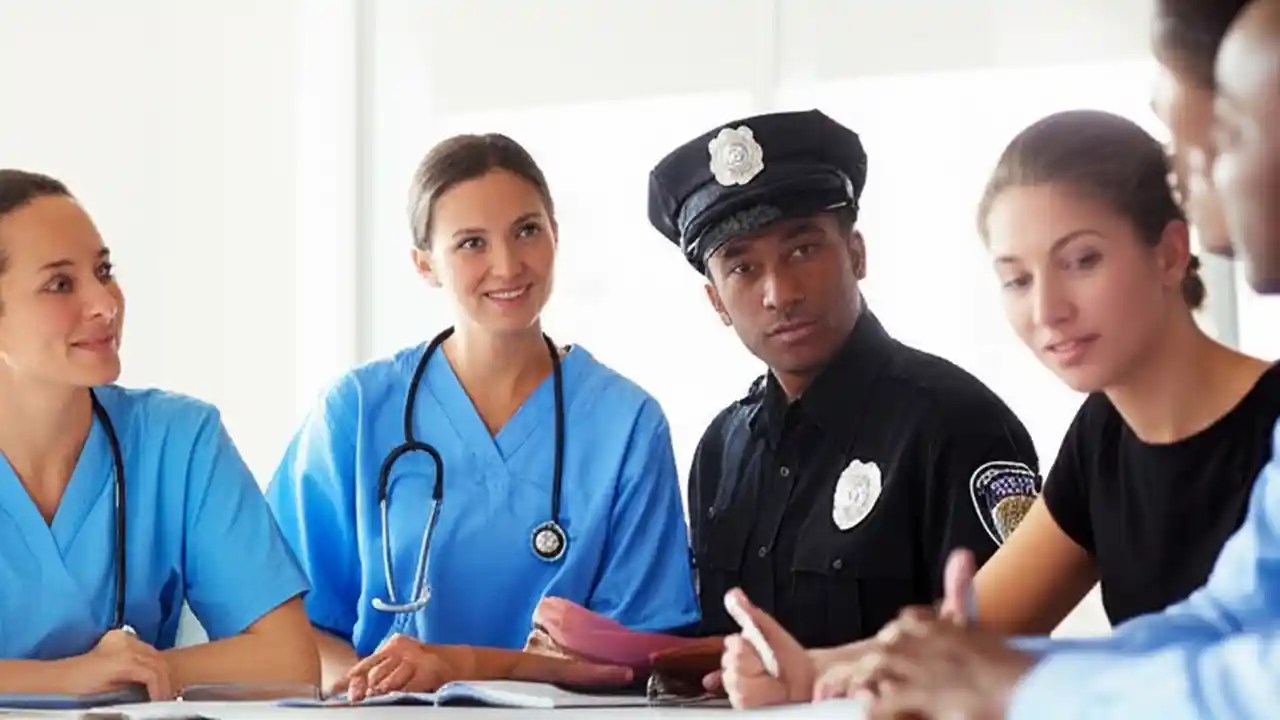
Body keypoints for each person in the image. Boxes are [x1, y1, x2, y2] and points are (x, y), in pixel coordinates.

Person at [717, 107, 1280, 711]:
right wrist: (812, 671)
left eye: (1082, 261)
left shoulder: (1268, 425)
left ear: (1170, 253)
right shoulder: (1104, 431)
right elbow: (981, 636)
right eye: (1017, 280)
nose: (1048, 310)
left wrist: (1010, 682)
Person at [266, 133, 696, 698]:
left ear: (555, 234)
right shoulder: (355, 413)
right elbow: (285, 623)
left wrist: (456, 664)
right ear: (425, 265)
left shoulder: (626, 425)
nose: (507, 264)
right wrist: (373, 689)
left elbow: (629, 662)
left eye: (527, 230)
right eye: (471, 243)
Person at [645, 109, 1040, 654]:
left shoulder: (957, 424)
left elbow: (998, 652)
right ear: (716, 301)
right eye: (742, 269)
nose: (779, 293)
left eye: (802, 250)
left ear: (856, 254)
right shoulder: (721, 450)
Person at [0, 170, 318, 699]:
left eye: (104, 271)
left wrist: (148, 669)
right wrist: (69, 677)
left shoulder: (180, 440)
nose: (105, 303)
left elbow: (289, 660)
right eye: (61, 283)